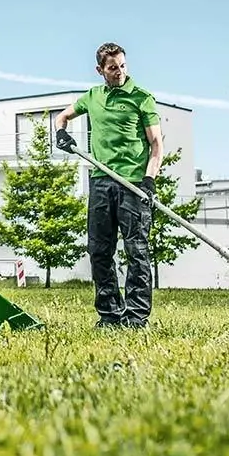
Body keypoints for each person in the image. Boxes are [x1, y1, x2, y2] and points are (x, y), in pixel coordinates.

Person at [54, 42, 163, 329]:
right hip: (101, 182)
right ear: (100, 70)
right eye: (113, 68)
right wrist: (62, 135)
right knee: (99, 250)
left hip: (133, 183)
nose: (119, 72)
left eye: (123, 66)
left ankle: (137, 317)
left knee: (136, 250)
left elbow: (156, 145)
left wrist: (150, 180)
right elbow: (61, 117)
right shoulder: (92, 97)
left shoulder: (142, 98)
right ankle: (110, 315)